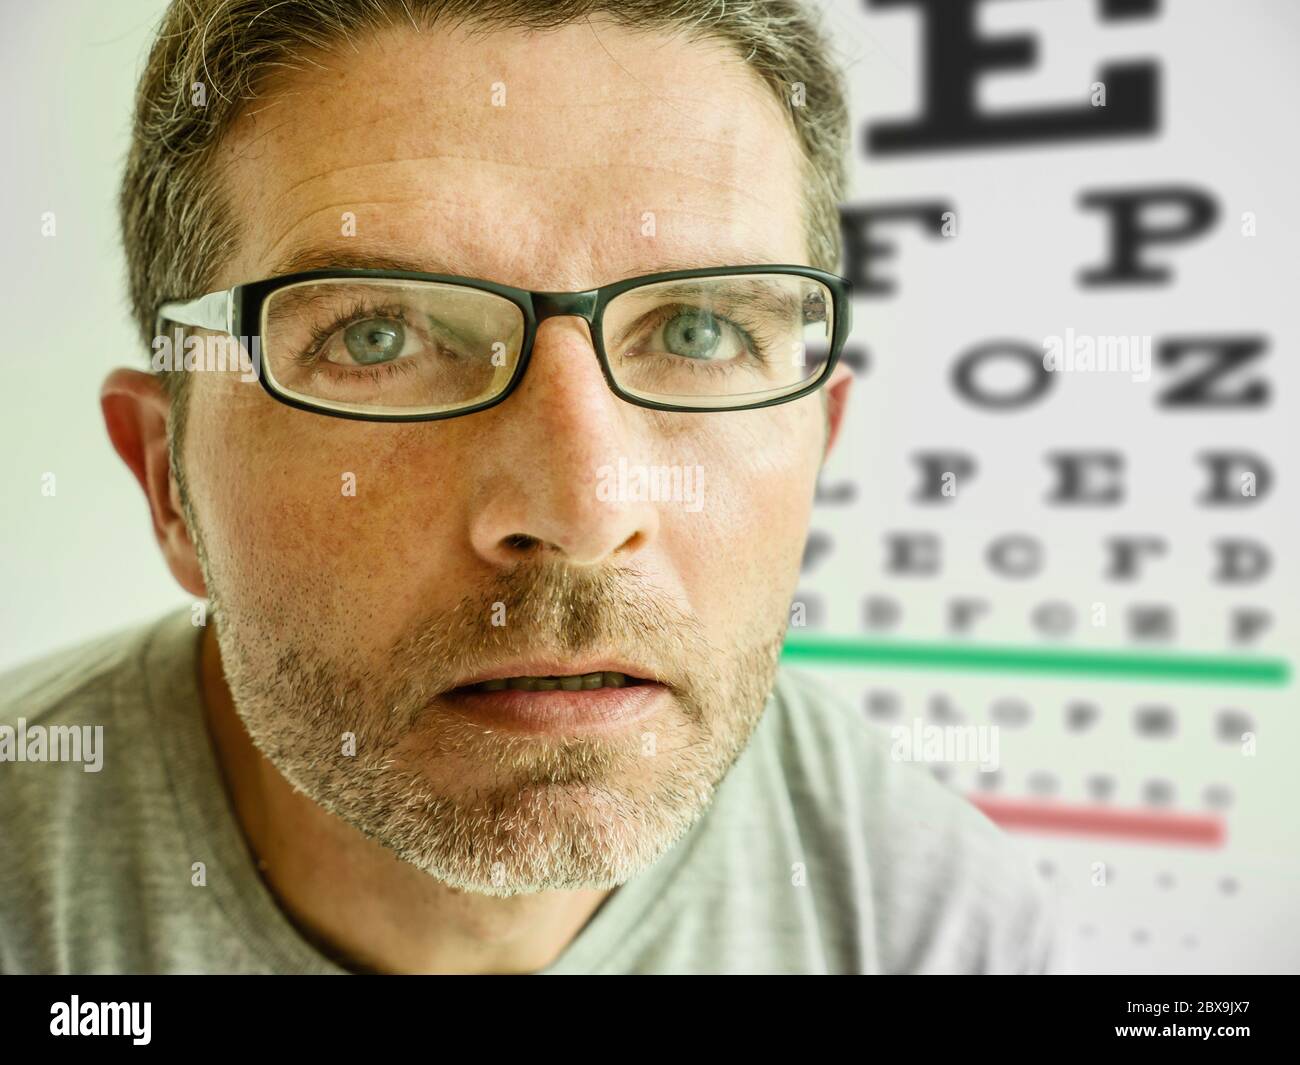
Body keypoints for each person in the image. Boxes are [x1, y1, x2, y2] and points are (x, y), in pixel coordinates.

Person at [0, 0, 1059, 974]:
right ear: (168, 482)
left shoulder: (934, 925)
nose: (583, 510)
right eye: (376, 337)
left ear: (819, 445)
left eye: (700, 331)